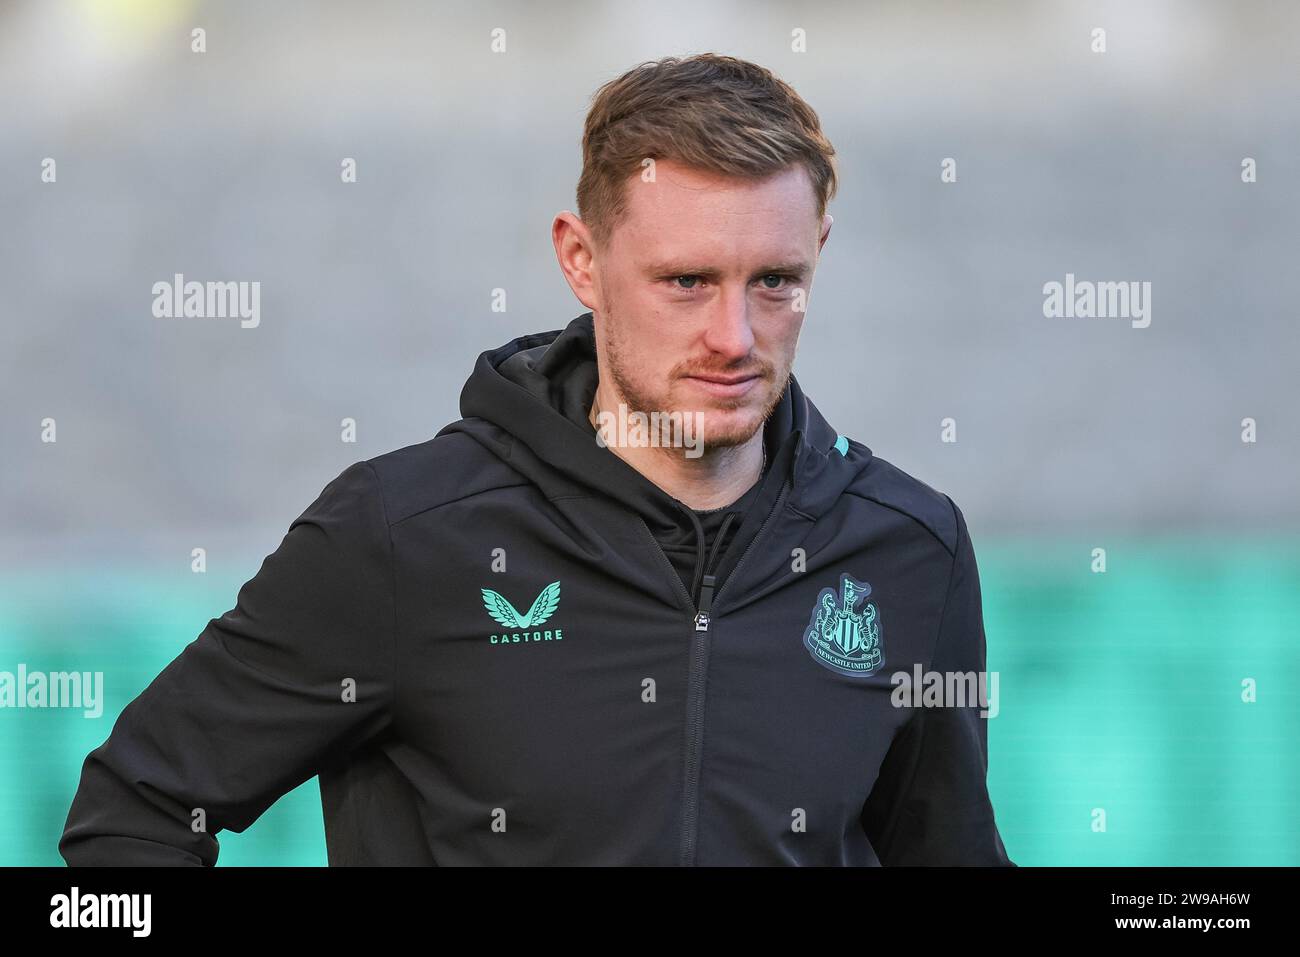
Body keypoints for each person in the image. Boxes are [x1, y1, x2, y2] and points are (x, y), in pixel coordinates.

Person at [60, 52, 1013, 866]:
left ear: (819, 253)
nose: (735, 334)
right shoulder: (402, 535)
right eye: (686, 281)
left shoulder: (908, 550)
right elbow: (132, 818)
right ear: (582, 259)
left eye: (776, 282)